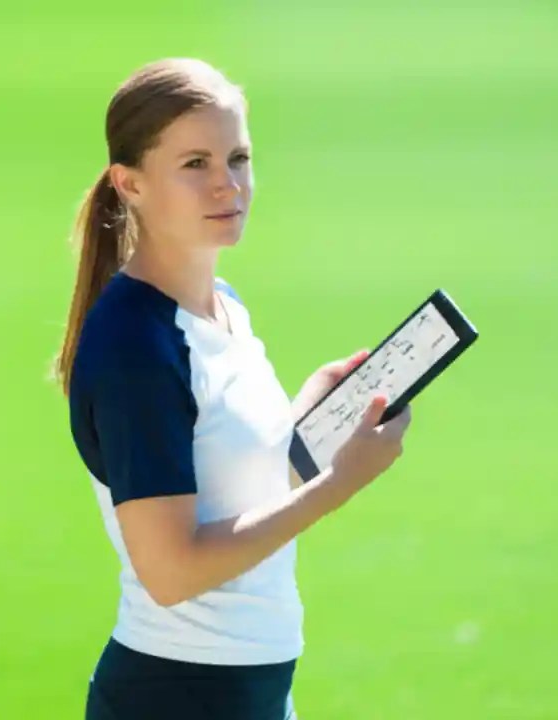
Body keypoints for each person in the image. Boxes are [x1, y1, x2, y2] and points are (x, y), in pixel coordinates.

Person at [55, 58, 413, 720]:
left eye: (238, 158)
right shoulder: (136, 346)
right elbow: (172, 572)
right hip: (178, 694)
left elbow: (242, 486)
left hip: (254, 690)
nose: (228, 183)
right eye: (195, 164)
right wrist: (339, 485)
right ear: (130, 184)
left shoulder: (222, 305)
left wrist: (312, 416)